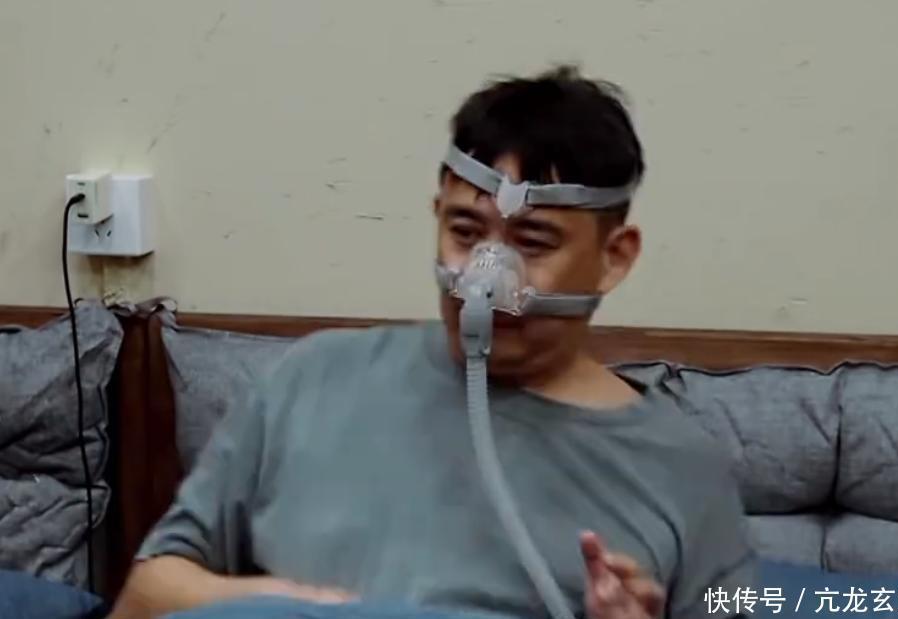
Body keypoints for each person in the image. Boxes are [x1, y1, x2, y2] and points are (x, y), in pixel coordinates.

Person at [109, 65, 755, 619]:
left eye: (532, 243)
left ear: (614, 258)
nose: (485, 277)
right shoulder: (310, 381)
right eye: (465, 231)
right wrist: (287, 606)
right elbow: (143, 596)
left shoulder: (683, 474)